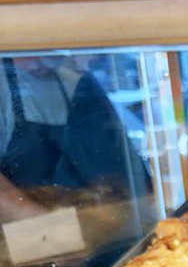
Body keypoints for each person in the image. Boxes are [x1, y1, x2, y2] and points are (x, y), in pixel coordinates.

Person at [0, 55, 150, 222]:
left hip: (94, 227)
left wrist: (108, 212)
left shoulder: (79, 84)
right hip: (26, 233)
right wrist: (44, 225)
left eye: (50, 55)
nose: (41, 63)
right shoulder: (4, 86)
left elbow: (116, 174)